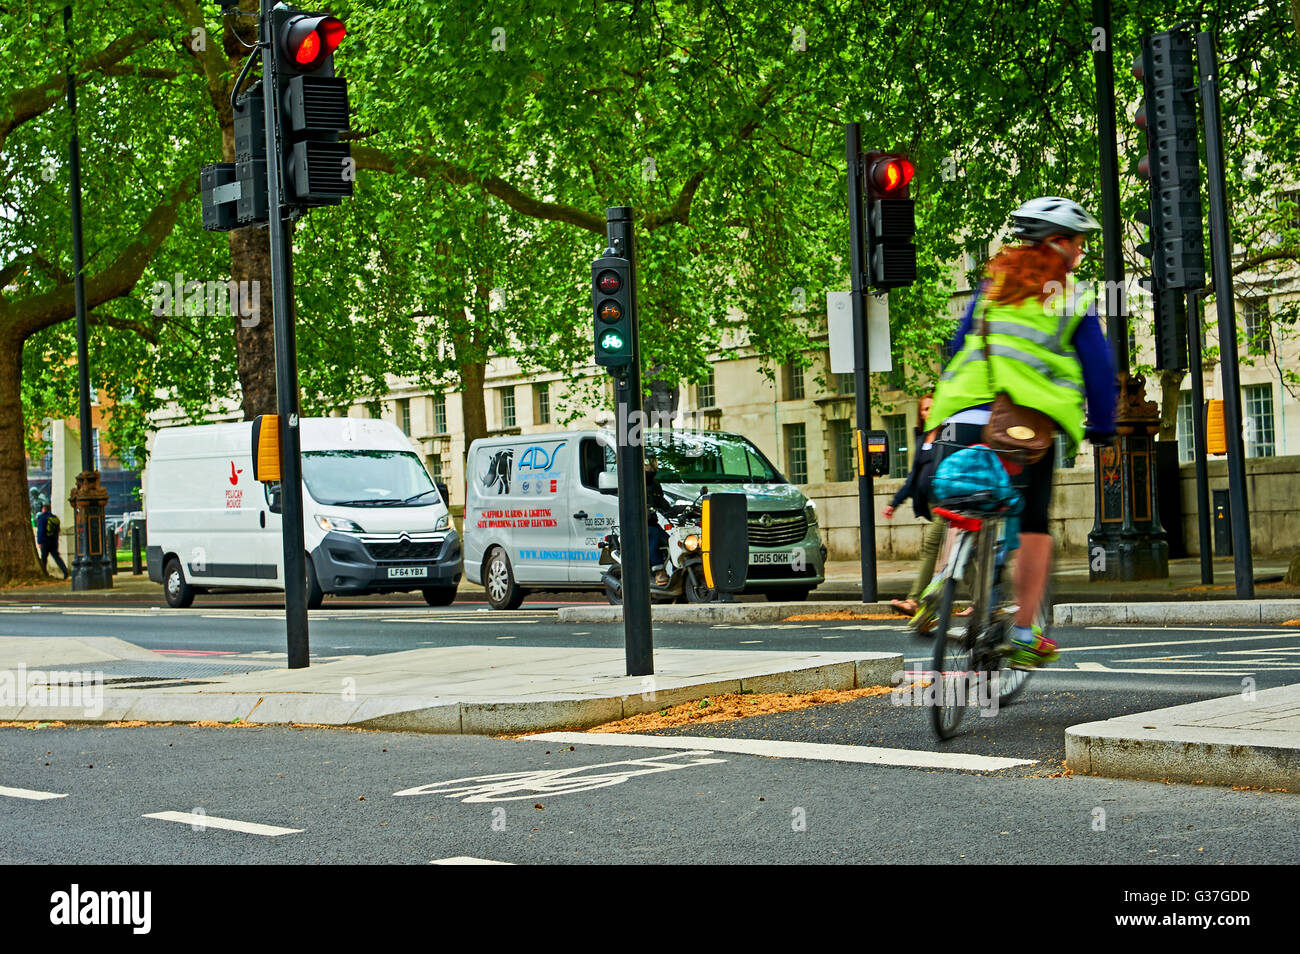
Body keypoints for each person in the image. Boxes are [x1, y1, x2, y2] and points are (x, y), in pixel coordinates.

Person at [925, 196, 1117, 669]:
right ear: (1058, 243)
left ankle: (941, 584)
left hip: (963, 410)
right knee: (1033, 524)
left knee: (962, 494)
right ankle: (1027, 634)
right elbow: (1098, 370)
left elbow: (957, 347)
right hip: (1025, 424)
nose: (1080, 253)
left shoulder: (991, 287)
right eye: (1077, 243)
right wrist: (1102, 427)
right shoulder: (1071, 298)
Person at [883, 393, 944, 618]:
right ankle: (984, 602)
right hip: (930, 504)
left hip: (946, 503)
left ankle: (915, 600)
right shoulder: (923, 439)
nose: (928, 412)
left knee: (930, 547)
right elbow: (913, 477)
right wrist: (894, 503)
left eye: (932, 408)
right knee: (960, 554)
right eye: (924, 409)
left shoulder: (949, 435)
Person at [35, 502, 69, 580]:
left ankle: (44, 572)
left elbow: (40, 530)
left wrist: (39, 541)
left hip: (45, 541)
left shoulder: (42, 517)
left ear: (44, 509)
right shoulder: (55, 518)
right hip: (54, 541)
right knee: (57, 557)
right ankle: (65, 570)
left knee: (44, 558)